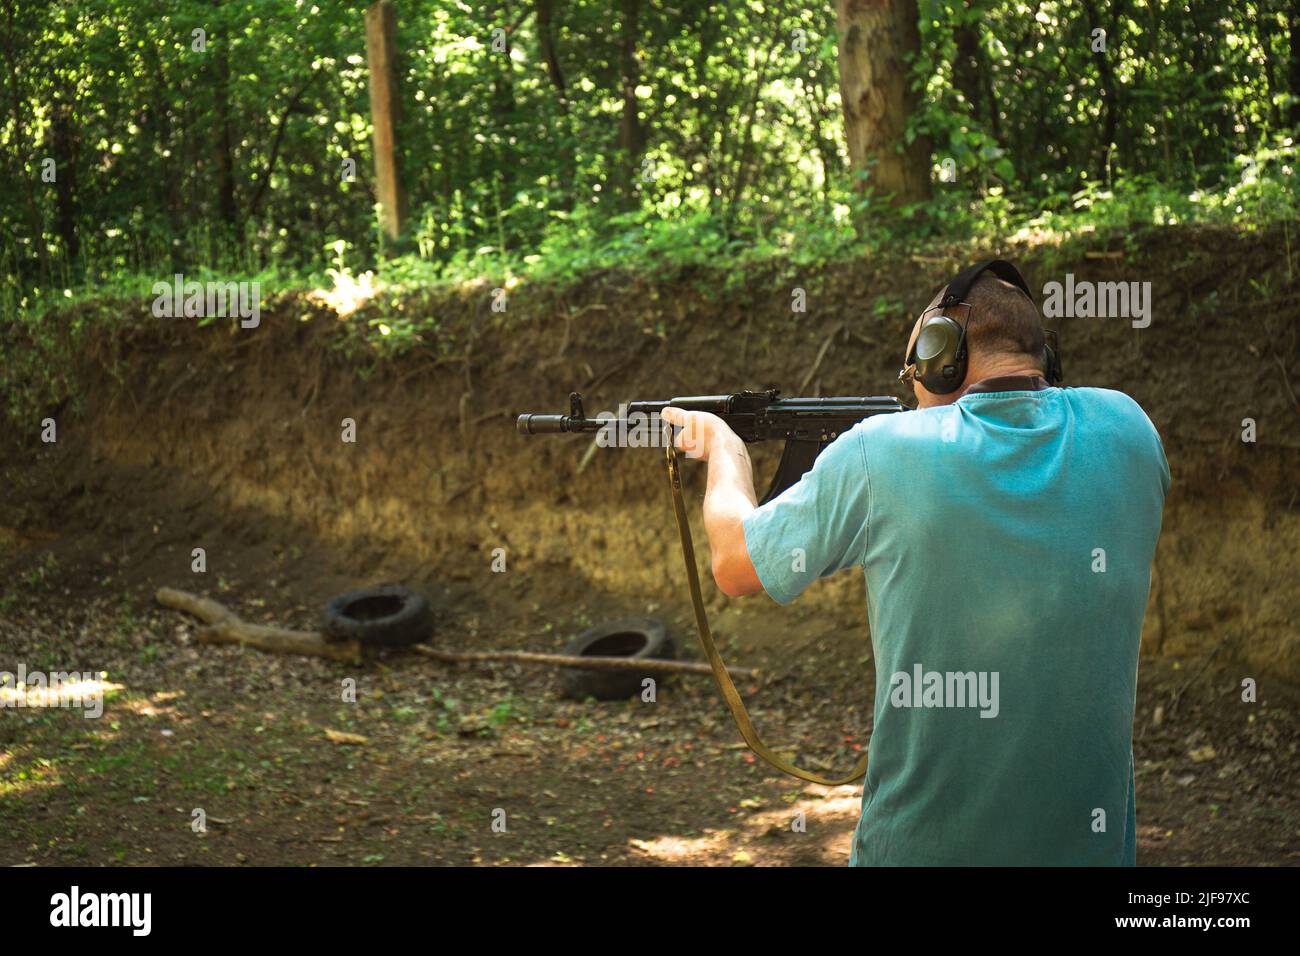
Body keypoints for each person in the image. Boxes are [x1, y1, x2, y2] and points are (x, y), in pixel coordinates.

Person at [661, 262, 1170, 865]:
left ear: (941, 355)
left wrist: (726, 451)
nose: (912, 391)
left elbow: (733, 563)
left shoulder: (880, 453)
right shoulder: (1129, 430)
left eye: (914, 370)